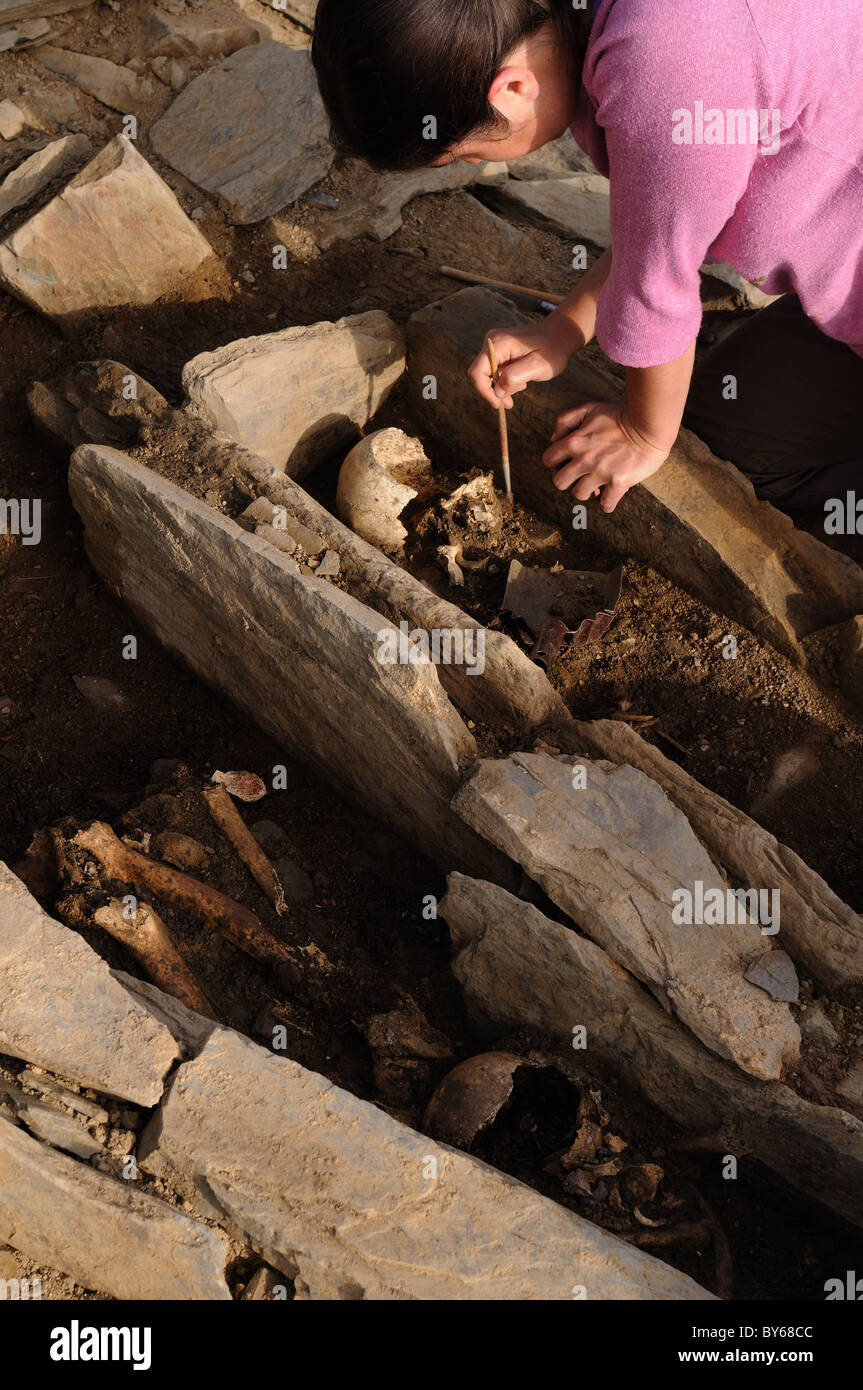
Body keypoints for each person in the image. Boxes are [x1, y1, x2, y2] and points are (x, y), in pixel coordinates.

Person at [312, 0, 863, 514]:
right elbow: (657, 219)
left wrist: (643, 434)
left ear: (512, 87)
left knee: (736, 468)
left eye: (464, 153)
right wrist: (567, 327)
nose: (474, 165)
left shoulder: (667, 65)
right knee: (729, 431)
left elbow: (658, 285)